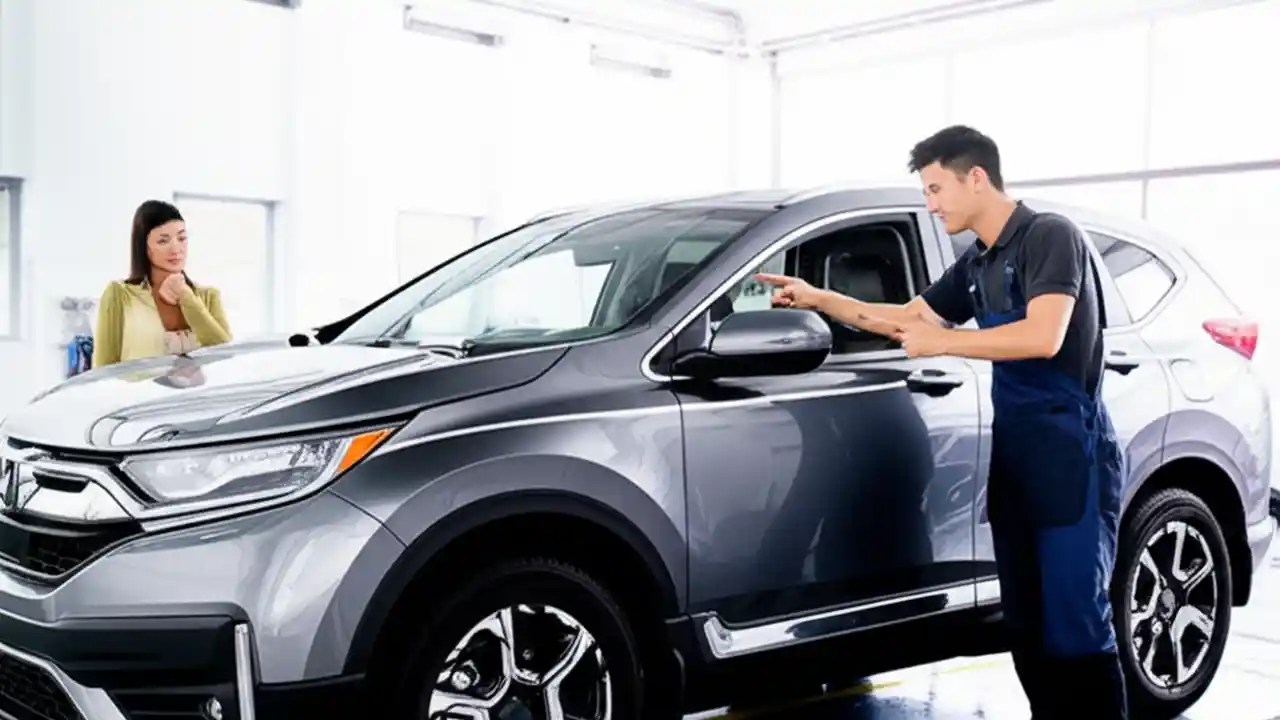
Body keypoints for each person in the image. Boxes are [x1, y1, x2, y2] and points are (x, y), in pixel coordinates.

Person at [757, 125, 1127, 719]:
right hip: (1017, 462)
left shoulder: (1050, 235)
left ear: (975, 178)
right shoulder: (977, 262)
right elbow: (907, 319)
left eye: (935, 189)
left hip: (1071, 459)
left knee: (1075, 625)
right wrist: (820, 298)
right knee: (1028, 628)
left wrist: (946, 343)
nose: (930, 205)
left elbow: (1044, 335)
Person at [91, 200, 231, 368]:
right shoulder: (119, 295)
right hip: (140, 386)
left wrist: (186, 296)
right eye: (163, 241)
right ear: (144, 246)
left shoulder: (209, 296)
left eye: (182, 238)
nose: (176, 249)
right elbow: (102, 370)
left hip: (201, 386)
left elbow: (226, 355)